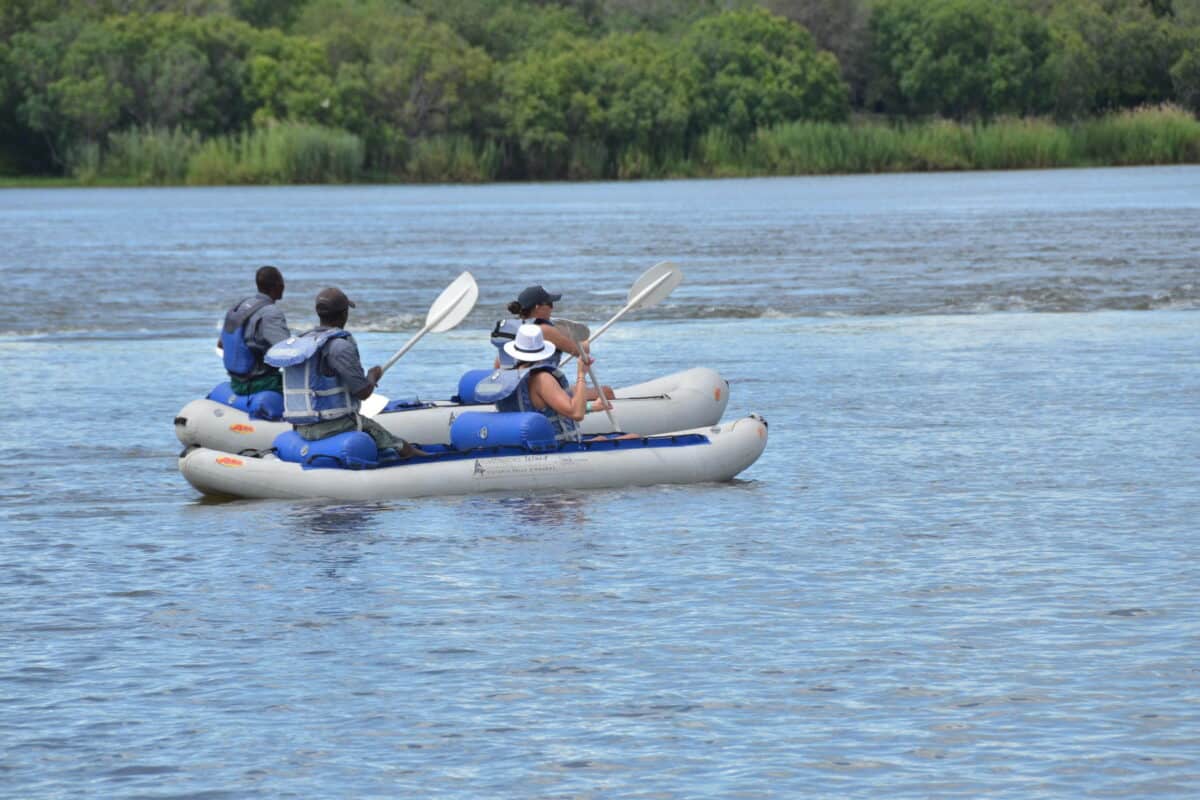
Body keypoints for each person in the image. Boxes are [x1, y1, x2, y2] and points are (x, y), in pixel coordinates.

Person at [267, 287, 425, 458]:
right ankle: (420, 458)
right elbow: (363, 392)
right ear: (344, 315)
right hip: (335, 425)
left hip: (301, 427)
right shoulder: (340, 346)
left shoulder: (303, 342)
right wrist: (372, 376)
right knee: (398, 444)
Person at [497, 324, 620, 442]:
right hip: (553, 447)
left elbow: (545, 410)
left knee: (601, 439)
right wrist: (581, 374)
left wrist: (590, 407)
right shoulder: (542, 379)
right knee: (630, 437)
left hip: (525, 444)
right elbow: (576, 413)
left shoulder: (507, 377)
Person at [490, 284, 614, 400]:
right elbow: (581, 351)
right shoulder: (545, 330)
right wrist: (582, 339)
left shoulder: (512, 329)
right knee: (607, 392)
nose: (552, 308)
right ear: (537, 307)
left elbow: (497, 365)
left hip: (512, 392)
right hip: (540, 392)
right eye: (549, 304)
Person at [217, 265, 290, 395]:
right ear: (279, 286)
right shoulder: (271, 313)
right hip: (259, 383)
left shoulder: (239, 306)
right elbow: (288, 351)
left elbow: (221, 344)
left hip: (236, 382)